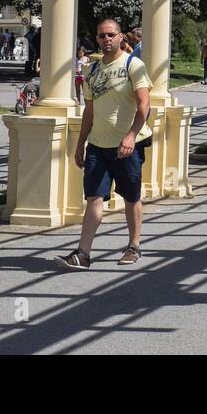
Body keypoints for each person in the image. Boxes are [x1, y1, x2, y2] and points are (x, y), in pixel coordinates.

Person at [55, 19, 153, 270]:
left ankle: (134, 245)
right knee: (94, 197)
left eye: (111, 35)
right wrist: (80, 145)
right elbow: (89, 111)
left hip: (127, 145)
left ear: (121, 37)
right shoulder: (92, 70)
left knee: (131, 197)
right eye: (101, 36)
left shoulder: (134, 65)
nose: (106, 39)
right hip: (98, 145)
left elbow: (145, 106)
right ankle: (83, 253)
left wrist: (131, 136)